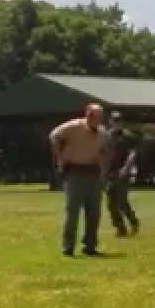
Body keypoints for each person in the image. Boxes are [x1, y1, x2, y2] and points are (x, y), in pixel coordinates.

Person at [49, 103, 109, 256]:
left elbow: (103, 153)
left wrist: (103, 174)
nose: (98, 119)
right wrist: (60, 158)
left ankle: (90, 246)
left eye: (100, 117)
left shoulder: (102, 133)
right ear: (88, 115)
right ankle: (68, 246)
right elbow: (54, 136)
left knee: (94, 213)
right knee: (73, 212)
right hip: (74, 173)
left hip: (93, 174)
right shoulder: (73, 126)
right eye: (96, 116)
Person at [105, 111, 140, 237]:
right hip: (110, 173)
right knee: (110, 204)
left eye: (118, 121)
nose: (116, 123)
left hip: (123, 173)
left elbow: (133, 154)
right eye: (114, 121)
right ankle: (120, 228)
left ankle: (134, 222)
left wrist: (126, 168)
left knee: (122, 202)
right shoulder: (106, 136)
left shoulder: (128, 136)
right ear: (110, 122)